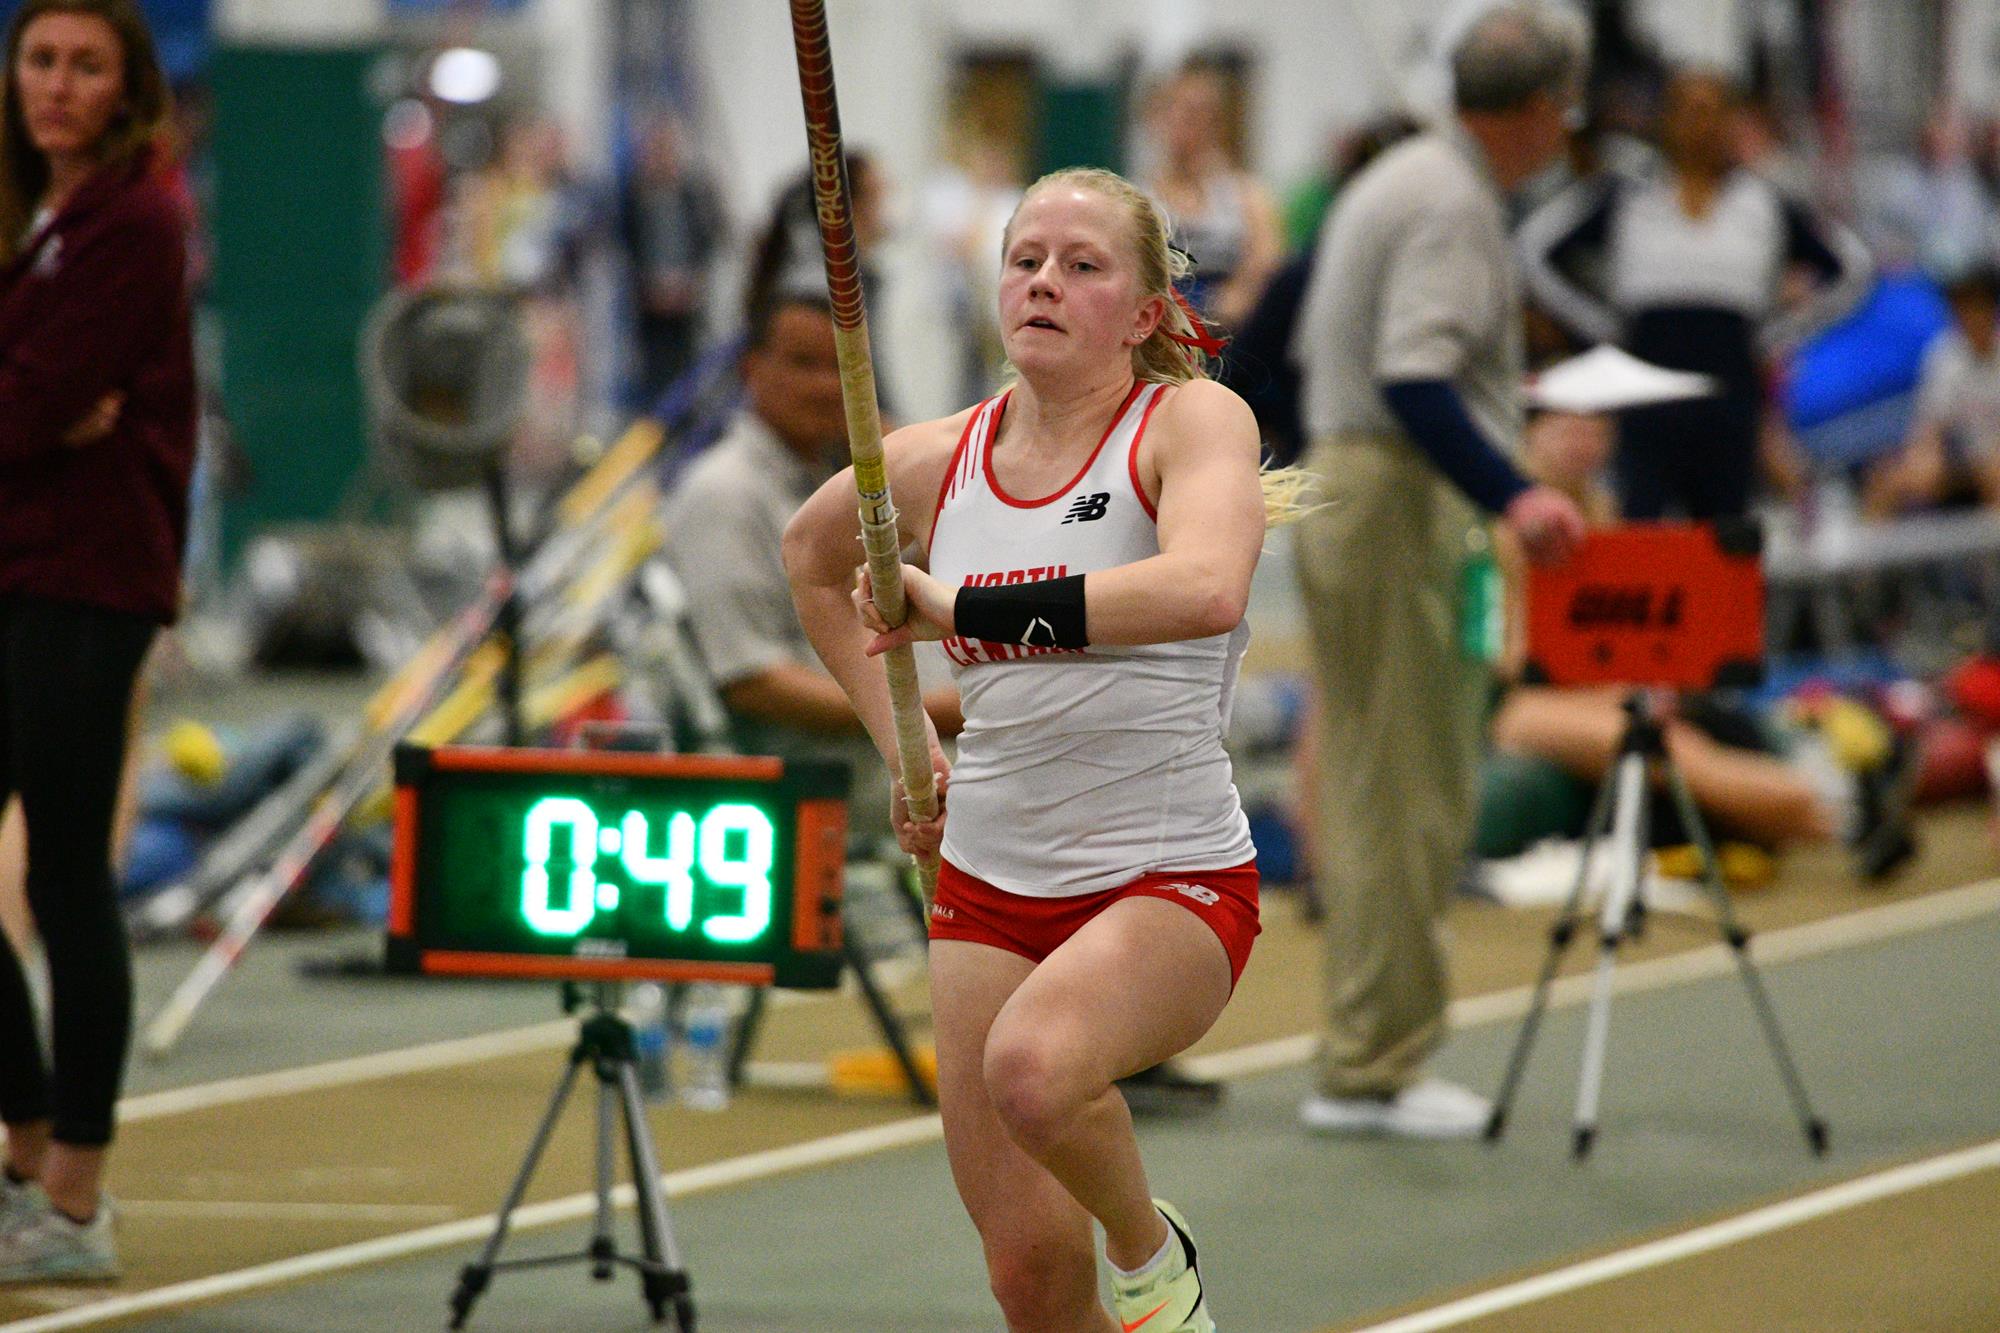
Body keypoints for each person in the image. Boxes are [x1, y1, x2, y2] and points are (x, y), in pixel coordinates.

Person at [785, 166, 1303, 1332]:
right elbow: (811, 563)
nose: (1044, 284)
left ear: (1142, 312)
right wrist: (903, 740)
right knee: (1024, 1272)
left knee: (1034, 1069)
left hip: (1163, 880)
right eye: (1025, 261)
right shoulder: (931, 458)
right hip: (986, 886)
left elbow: (1206, 587)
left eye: (1081, 266)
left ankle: (1149, 1253)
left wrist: (959, 612)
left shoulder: (1189, 424)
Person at [1288, 1, 1590, 1140]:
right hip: (1391, 493)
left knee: (1378, 779)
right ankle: (1375, 1062)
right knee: (1409, 790)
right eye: (1560, 109)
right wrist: (1515, 493)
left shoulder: (1402, 178)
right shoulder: (1451, 202)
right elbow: (1417, 377)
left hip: (1352, 480)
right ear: (1532, 110)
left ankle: (1368, 1051)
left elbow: (1292, 320)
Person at [0, 0, 195, 1281]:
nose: (56, 87)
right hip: (17, 570)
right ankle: (27, 1143)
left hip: (90, 586)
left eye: (84, 66)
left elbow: (31, 402)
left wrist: (41, 407)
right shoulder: (32, 214)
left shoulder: (135, 220)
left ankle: (70, 1196)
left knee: (68, 875)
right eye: (38, 60)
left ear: (124, 87)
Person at [658, 291, 959, 826]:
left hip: (916, 764)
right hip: (829, 793)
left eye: (843, 368)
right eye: (804, 364)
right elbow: (754, 682)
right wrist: (929, 721)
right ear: (753, 370)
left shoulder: (846, 477)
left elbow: (957, 560)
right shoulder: (724, 493)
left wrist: (906, 453)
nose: (827, 387)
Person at [1517, 66, 1872, 520]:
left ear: (1730, 121)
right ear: (1666, 118)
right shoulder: (1629, 194)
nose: (1697, 123)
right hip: (1647, 382)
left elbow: (1853, 269)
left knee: (1725, 527)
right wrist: (1600, 326)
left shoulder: (1763, 202)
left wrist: (1776, 335)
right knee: (1641, 520)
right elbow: (1534, 247)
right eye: (1686, 110)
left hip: (1728, 385)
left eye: (1710, 111)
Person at [1140, 62, 1283, 333]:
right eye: (1173, 111)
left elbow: (1267, 265)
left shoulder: (1246, 195)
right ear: (1153, 118)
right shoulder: (1137, 199)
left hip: (1226, 327)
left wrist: (1234, 301)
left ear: (1216, 123)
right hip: (1157, 326)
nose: (1183, 124)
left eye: (1196, 114)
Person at [1864, 266, 2000, 518]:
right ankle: (1871, 557)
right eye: (1962, 307)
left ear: (1991, 308)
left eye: (1977, 306)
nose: (1971, 316)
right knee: (1886, 480)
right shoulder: (1944, 355)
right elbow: (1929, 427)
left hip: (1994, 460)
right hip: (1960, 462)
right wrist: (1924, 456)